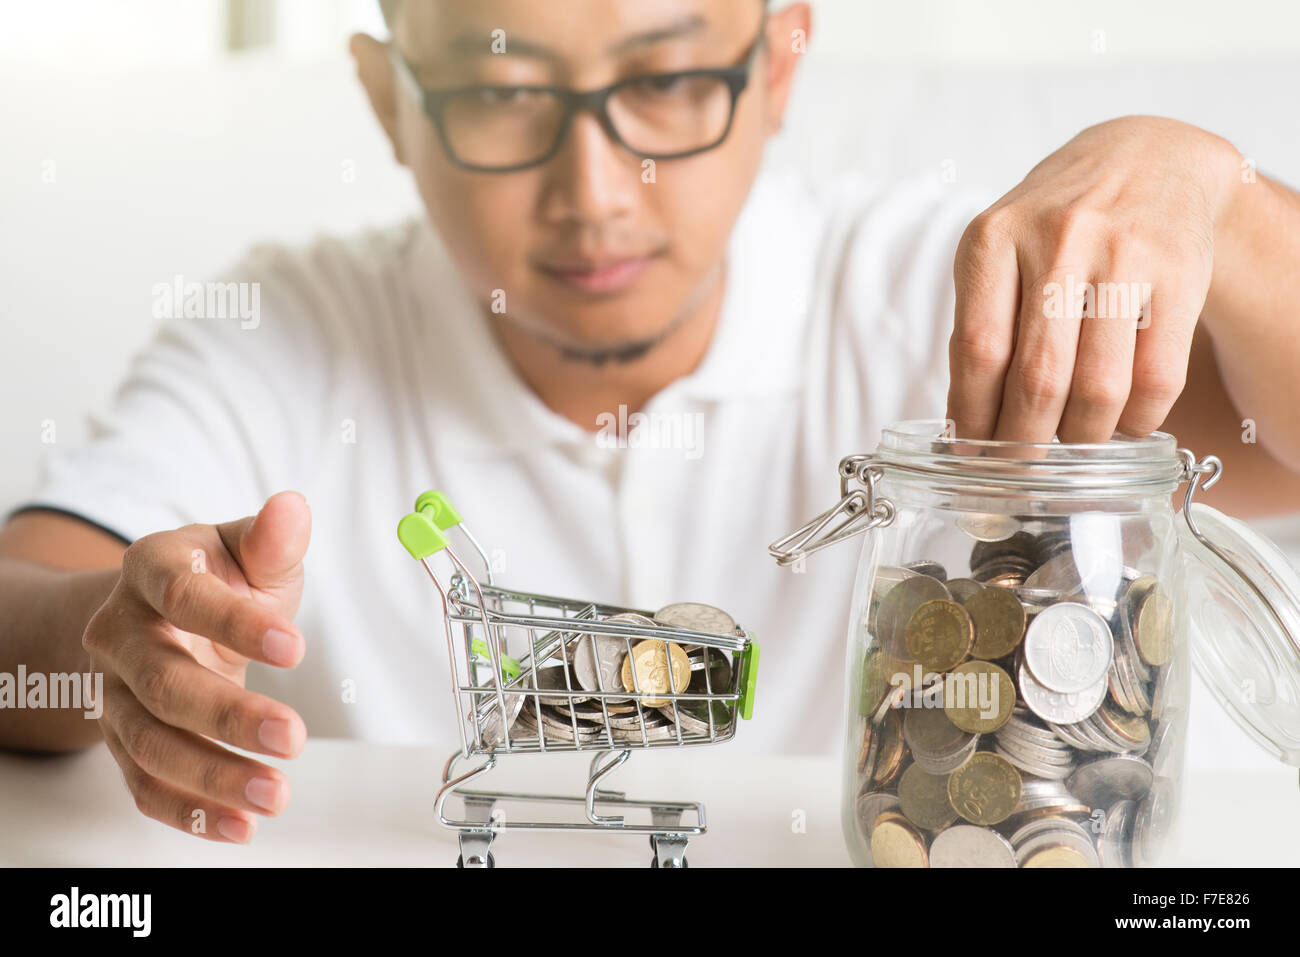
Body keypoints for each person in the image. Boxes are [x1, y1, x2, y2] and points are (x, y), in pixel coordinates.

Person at [3, 0, 1299, 847]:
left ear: (779, 59)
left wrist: (1222, 206)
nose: (596, 192)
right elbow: (22, 615)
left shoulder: (944, 293)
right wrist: (103, 632)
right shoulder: (279, 333)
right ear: (391, 99)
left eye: (673, 80)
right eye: (502, 93)